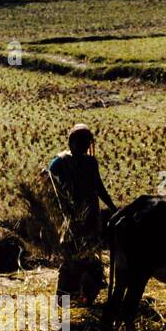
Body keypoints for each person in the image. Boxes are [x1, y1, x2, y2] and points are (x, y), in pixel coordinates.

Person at [47, 123, 117, 303]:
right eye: (79, 143)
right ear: (70, 142)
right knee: (71, 257)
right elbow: (49, 182)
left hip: (91, 216)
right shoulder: (60, 161)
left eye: (86, 144)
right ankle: (65, 297)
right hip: (71, 217)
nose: (82, 147)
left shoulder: (91, 162)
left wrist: (112, 207)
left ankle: (87, 296)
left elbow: (98, 187)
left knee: (92, 257)